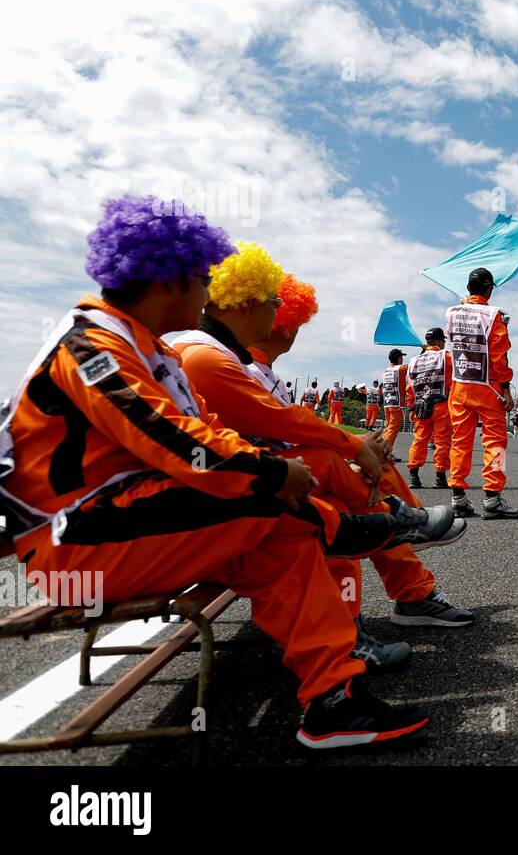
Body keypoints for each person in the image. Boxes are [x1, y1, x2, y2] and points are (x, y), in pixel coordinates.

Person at [2, 196, 437, 748]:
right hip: (73, 543)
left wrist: (275, 472)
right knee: (267, 501)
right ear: (167, 282)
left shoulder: (147, 346)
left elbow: (207, 432)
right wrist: (276, 475)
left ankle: (335, 701)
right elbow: (175, 441)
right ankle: (345, 531)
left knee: (276, 531)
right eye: (202, 280)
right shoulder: (92, 343)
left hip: (122, 520)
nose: (209, 294)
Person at [170, 255, 474, 664]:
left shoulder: (225, 357)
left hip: (222, 488)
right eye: (275, 304)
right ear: (255, 309)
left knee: (356, 474)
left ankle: (402, 548)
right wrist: (347, 450)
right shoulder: (207, 356)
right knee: (337, 504)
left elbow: (270, 432)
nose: (282, 316)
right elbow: (276, 424)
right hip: (206, 507)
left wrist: (349, 448)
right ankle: (380, 581)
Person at [446, 268, 518, 519]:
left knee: (460, 441)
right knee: (495, 443)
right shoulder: (494, 315)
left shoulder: (451, 313)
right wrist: (506, 389)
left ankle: (458, 498)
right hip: (487, 387)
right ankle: (492, 498)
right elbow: (499, 358)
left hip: (459, 386)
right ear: (489, 288)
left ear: (468, 288)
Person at [407, 328, 452, 490]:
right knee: (442, 442)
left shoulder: (413, 361)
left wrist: (411, 407)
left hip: (420, 406)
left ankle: (413, 477)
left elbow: (409, 388)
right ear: (440, 341)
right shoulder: (446, 356)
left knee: (419, 440)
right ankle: (440, 478)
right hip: (441, 404)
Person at [381, 349, 408, 455]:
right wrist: (424, 352)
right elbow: (416, 365)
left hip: (387, 403)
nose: (402, 359)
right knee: (392, 429)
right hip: (396, 403)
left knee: (388, 428)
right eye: (401, 357)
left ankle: (382, 449)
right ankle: (385, 452)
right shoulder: (400, 369)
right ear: (398, 358)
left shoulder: (386, 370)